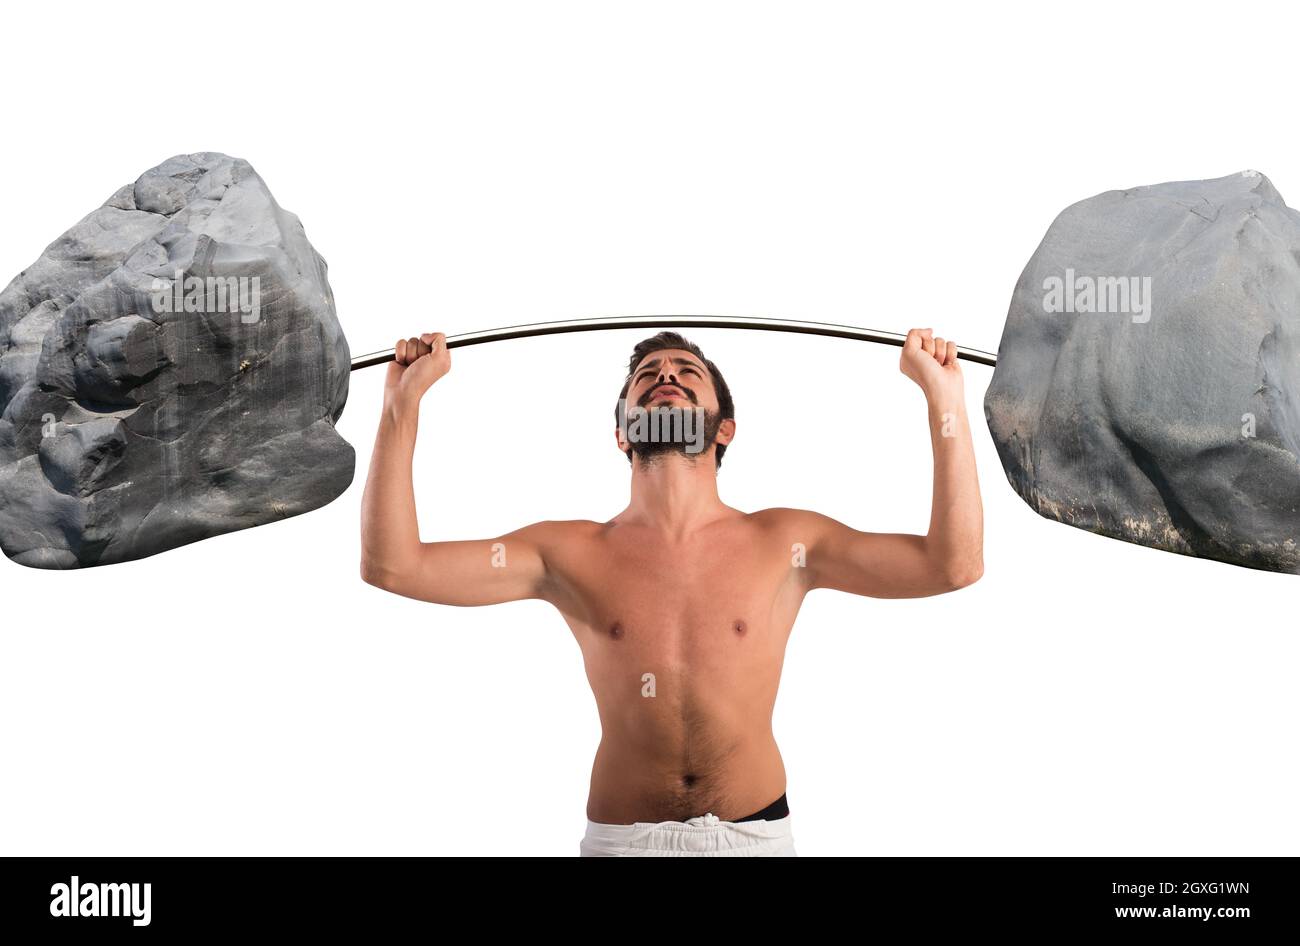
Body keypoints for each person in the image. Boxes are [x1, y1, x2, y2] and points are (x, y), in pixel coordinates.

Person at [360, 327, 983, 856]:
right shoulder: (567, 552)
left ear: (725, 429)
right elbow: (395, 566)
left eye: (688, 372)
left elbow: (951, 565)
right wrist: (401, 409)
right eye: (647, 374)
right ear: (623, 433)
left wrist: (943, 398)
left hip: (755, 838)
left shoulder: (787, 541)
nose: (666, 375)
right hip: (621, 842)